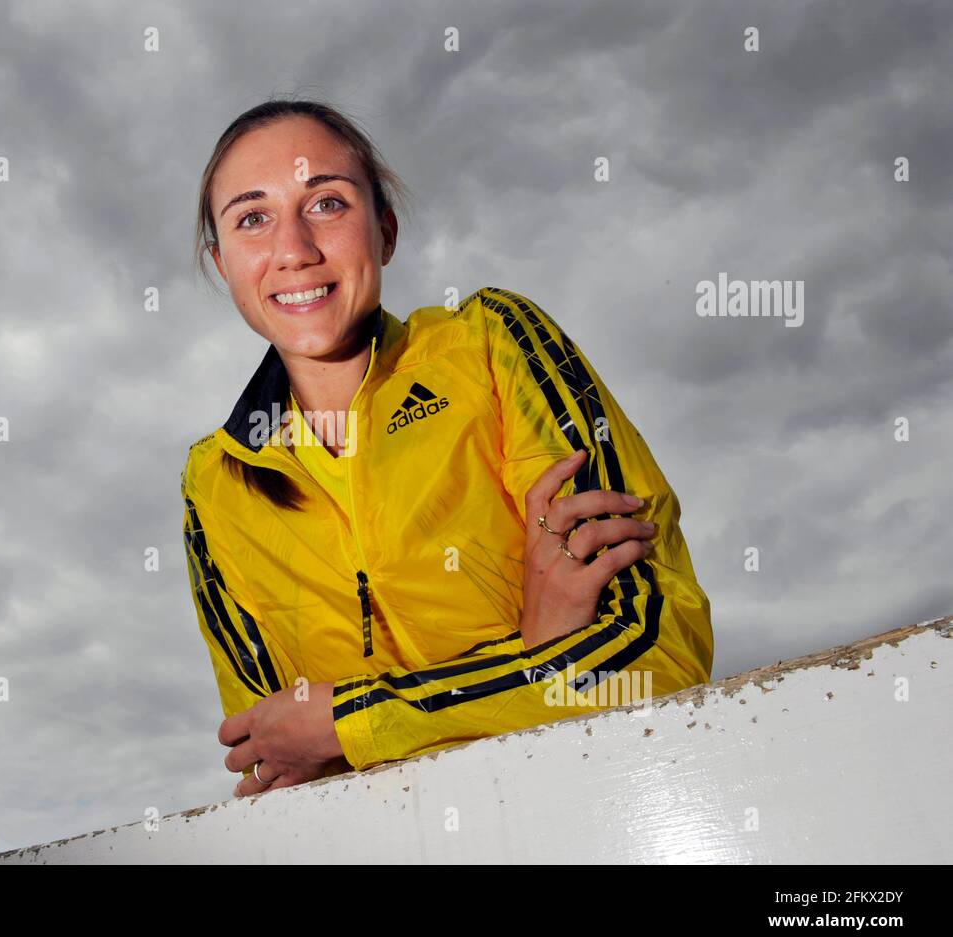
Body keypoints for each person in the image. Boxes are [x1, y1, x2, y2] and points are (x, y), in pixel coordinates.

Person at [181, 99, 714, 798]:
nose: (294, 250)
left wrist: (349, 723)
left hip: (588, 811)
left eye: (327, 204)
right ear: (221, 263)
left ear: (385, 231)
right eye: (253, 218)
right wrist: (538, 658)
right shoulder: (214, 481)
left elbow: (655, 655)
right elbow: (275, 766)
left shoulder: (492, 344)